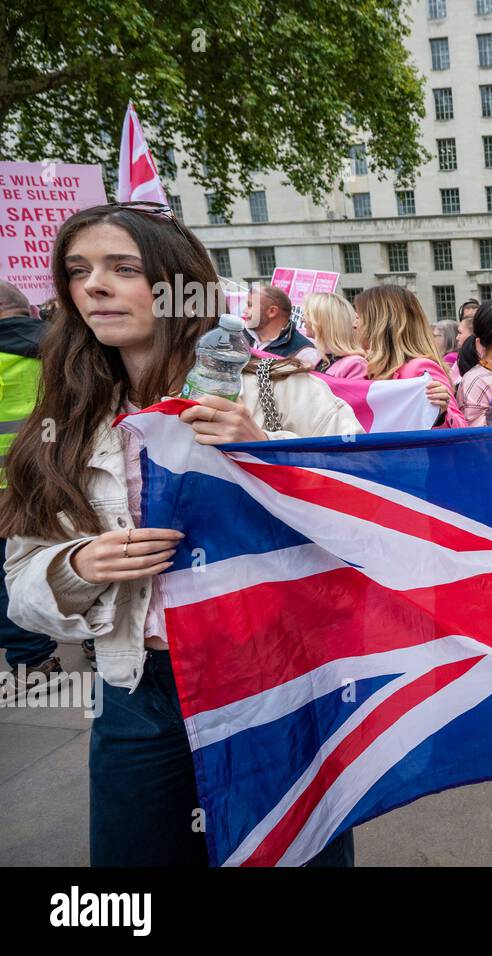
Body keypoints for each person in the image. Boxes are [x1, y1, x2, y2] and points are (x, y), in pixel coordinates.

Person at [0, 202, 361, 867]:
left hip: (274, 679)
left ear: (175, 283)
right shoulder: (64, 422)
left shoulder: (284, 392)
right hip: (139, 693)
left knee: (291, 854)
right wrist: (79, 565)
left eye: (121, 268)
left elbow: (374, 520)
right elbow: (19, 586)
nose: (93, 286)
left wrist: (268, 454)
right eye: (78, 271)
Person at [0, 280, 62, 690]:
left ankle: (32, 662)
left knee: (7, 568)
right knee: (81, 549)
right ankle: (98, 642)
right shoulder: (62, 348)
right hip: (62, 475)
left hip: (6, 486)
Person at [352, 285, 466, 427]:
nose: (354, 324)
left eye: (358, 317)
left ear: (379, 323)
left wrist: (441, 415)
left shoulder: (419, 368)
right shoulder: (362, 365)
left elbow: (460, 429)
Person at [241, 285, 319, 365]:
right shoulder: (238, 336)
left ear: (272, 311)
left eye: (250, 305)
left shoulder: (304, 353)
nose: (244, 310)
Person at [303, 291, 367, 378]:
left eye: (308, 315)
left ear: (324, 321)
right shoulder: (323, 359)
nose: (303, 320)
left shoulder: (356, 364)